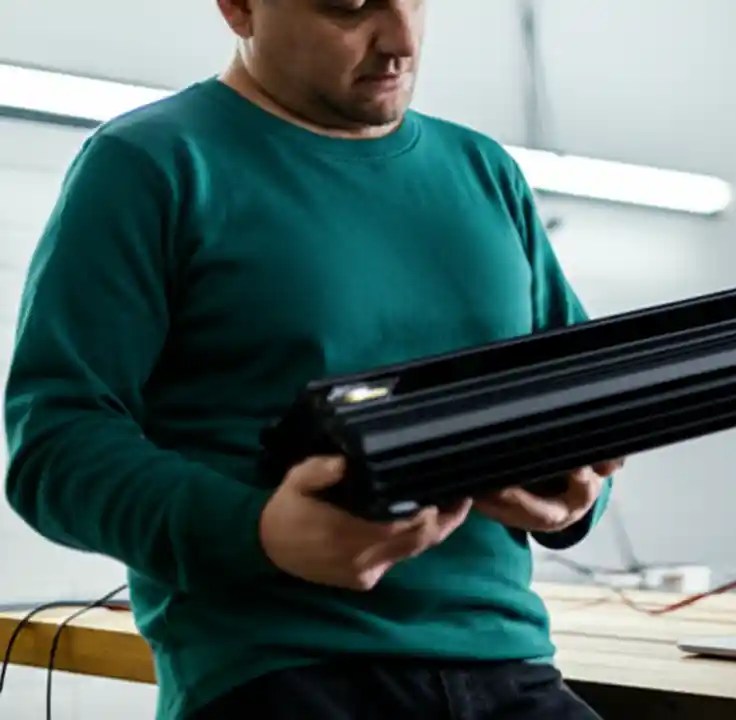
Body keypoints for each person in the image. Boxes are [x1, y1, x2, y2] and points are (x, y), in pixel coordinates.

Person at [3, 1, 622, 718]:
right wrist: (257, 532)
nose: (399, 41)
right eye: (349, 6)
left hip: (508, 669)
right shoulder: (148, 165)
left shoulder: (484, 171)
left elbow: (577, 407)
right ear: (237, 6)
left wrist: (574, 495)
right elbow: (55, 447)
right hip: (276, 673)